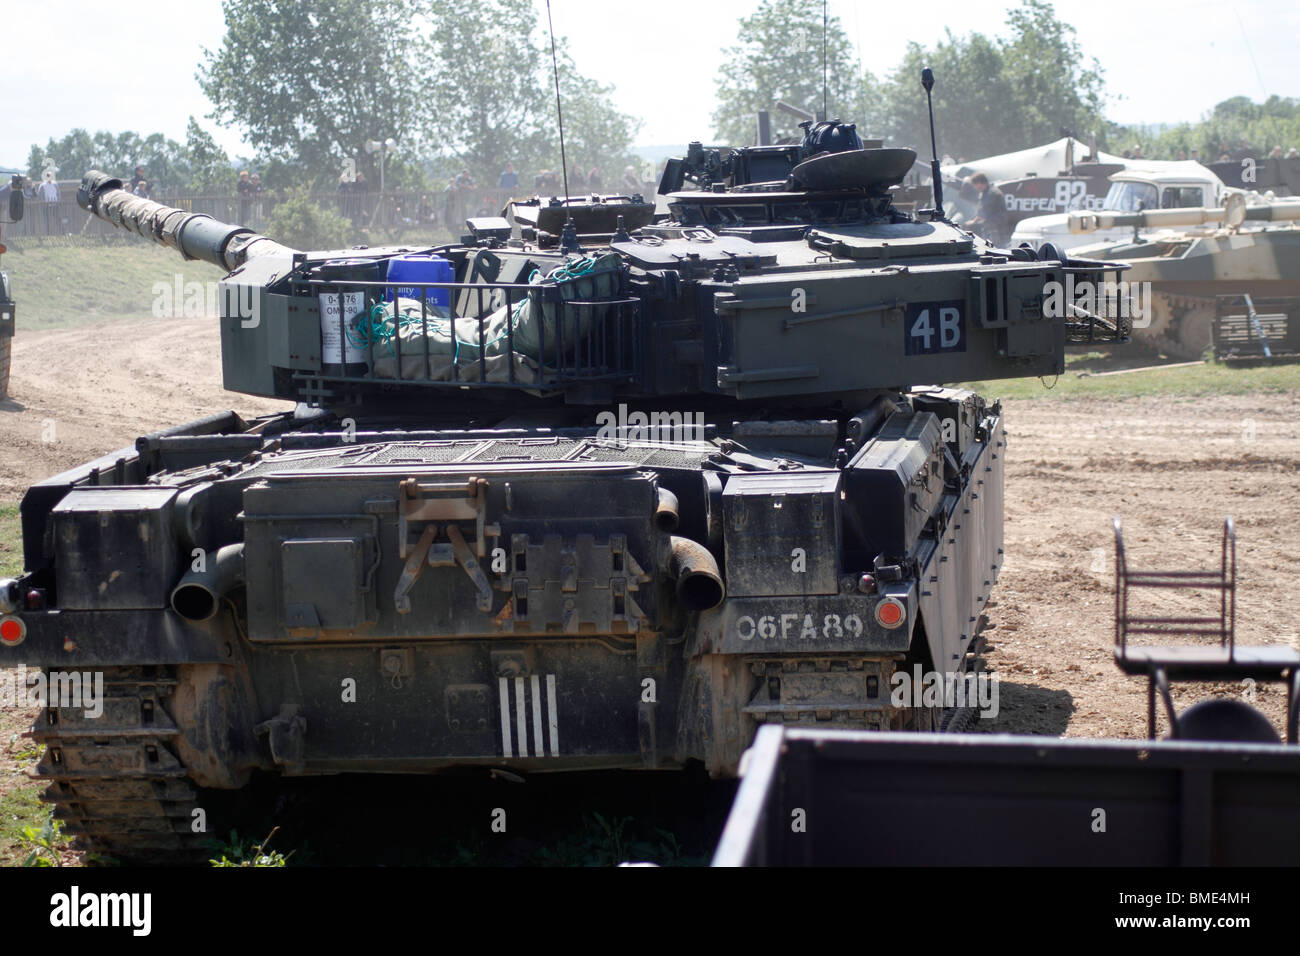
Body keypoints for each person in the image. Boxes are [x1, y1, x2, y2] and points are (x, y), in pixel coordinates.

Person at [965, 172, 1009, 247]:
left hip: (994, 227)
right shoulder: (987, 192)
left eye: (975, 185)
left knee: (994, 247)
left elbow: (985, 212)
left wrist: (973, 221)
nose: (975, 188)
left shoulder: (991, 194)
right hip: (992, 225)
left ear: (979, 183)